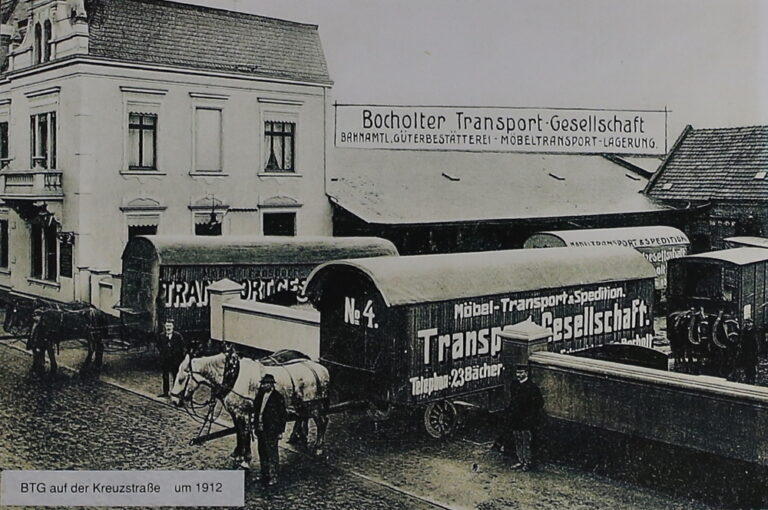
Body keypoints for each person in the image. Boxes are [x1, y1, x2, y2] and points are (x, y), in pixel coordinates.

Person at [501, 365, 544, 471]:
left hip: (526, 420)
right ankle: (520, 460)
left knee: (526, 441)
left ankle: (527, 462)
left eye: (521, 373)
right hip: (516, 418)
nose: (518, 375)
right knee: (518, 440)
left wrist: (530, 416)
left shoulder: (532, 387)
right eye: (517, 373)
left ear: (526, 373)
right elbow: (513, 401)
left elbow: (539, 403)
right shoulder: (514, 385)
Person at [253, 373, 287, 486]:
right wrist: (255, 425)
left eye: (265, 383)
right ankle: (264, 474)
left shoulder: (277, 397)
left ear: (271, 385)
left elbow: (283, 415)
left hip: (271, 430)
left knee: (272, 453)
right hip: (261, 429)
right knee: (262, 452)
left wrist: (281, 431)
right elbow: (256, 411)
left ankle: (274, 476)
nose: (263, 386)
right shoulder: (260, 395)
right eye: (263, 383)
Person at [155, 318, 186, 397]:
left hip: (174, 360)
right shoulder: (161, 336)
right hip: (165, 360)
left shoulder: (178, 336)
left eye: (170, 326)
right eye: (167, 326)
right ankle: (166, 392)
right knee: (165, 376)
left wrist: (178, 357)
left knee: (175, 376)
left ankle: (176, 392)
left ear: (173, 327)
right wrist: (163, 353)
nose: (168, 328)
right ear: (165, 326)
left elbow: (182, 347)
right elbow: (158, 346)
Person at [739, 318, 759, 384]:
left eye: (749, 323)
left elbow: (757, 343)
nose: (747, 324)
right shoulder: (744, 332)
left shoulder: (755, 332)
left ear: (752, 324)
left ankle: (752, 378)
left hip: (752, 352)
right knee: (746, 366)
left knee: (752, 366)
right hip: (745, 352)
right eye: (746, 323)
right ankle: (747, 378)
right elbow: (742, 341)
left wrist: (756, 352)